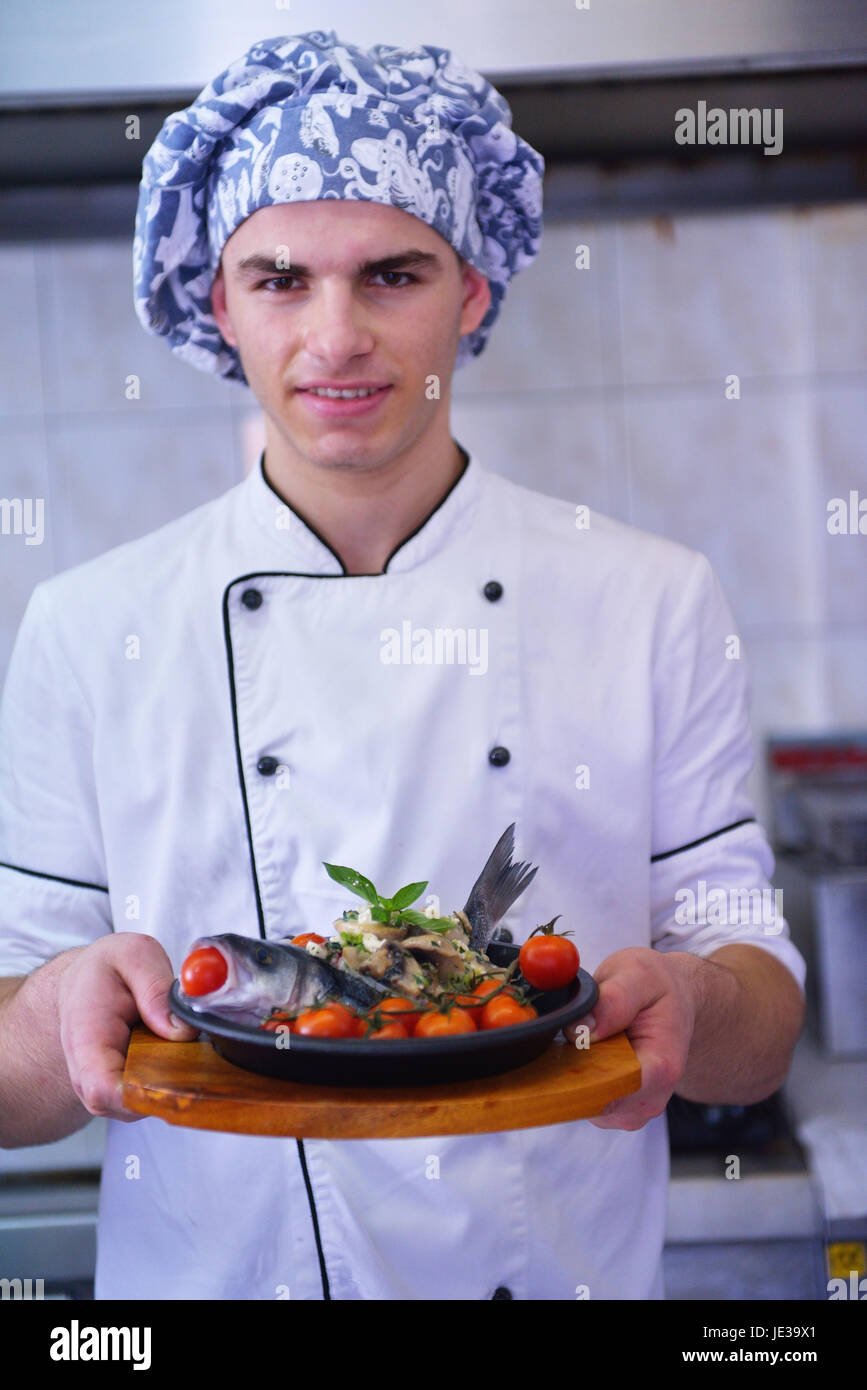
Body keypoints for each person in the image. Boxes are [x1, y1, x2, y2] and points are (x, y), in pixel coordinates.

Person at [0, 31, 805, 1300]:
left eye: (392, 274)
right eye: (278, 279)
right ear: (218, 302)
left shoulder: (649, 598)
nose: (337, 339)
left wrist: (699, 1006)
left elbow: (759, 1016)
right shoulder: (87, 627)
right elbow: (10, 1090)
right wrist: (56, 1016)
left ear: (472, 291)